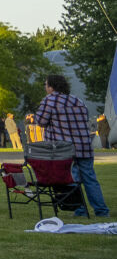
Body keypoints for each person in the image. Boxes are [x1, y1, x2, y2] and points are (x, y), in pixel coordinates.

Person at [33, 73, 109, 218]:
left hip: (65, 149)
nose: (45, 87)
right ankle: (101, 211)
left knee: (72, 179)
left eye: (46, 84)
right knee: (90, 179)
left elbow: (40, 122)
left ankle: (80, 210)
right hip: (84, 147)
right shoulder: (77, 100)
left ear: (51, 87)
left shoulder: (49, 100)